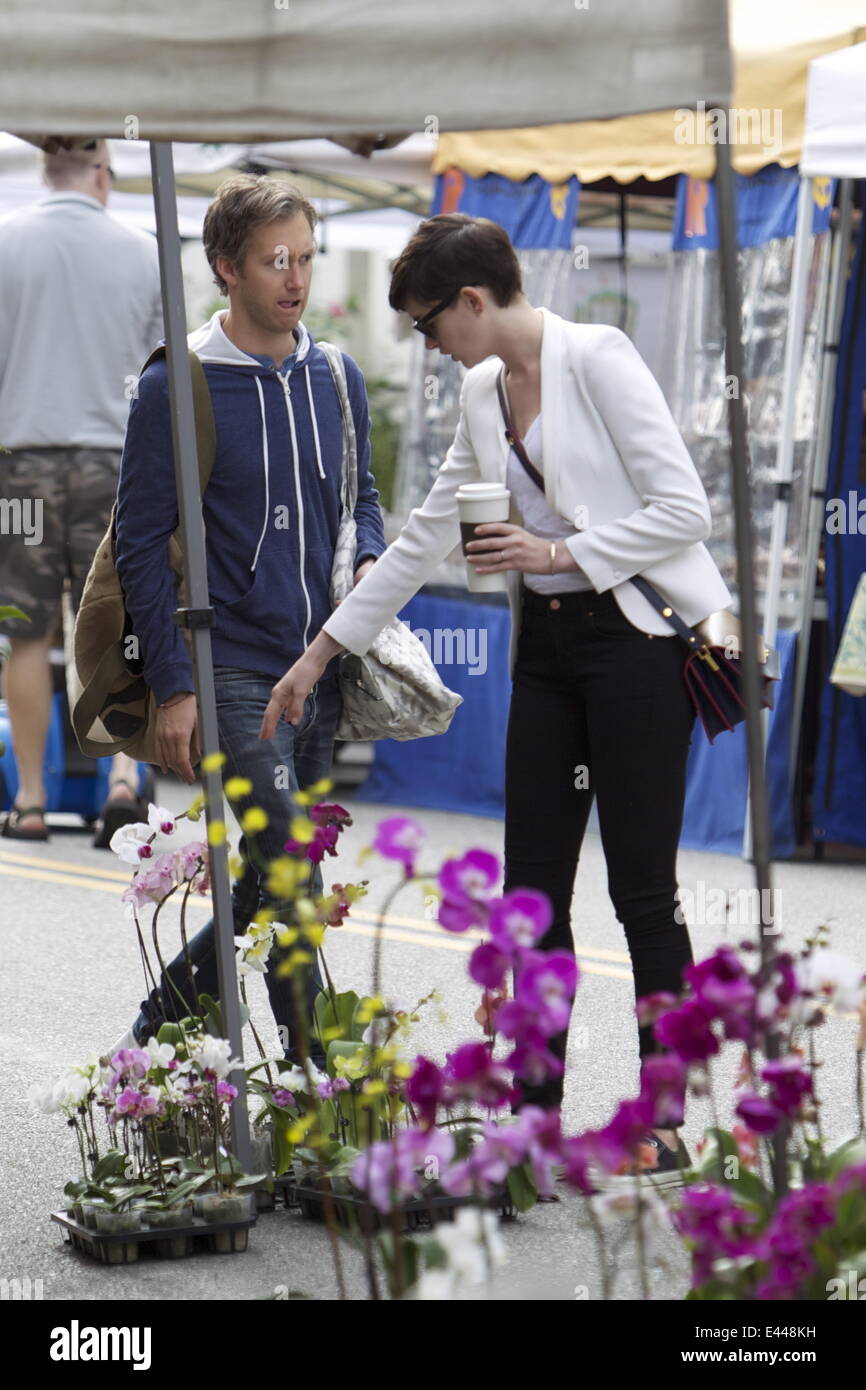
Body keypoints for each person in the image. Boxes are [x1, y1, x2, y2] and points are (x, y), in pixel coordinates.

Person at [263, 212, 733, 1169]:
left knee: (642, 888)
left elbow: (686, 508)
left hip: (638, 645)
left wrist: (560, 551)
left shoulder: (597, 358)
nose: (429, 349)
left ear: (472, 300)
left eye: (430, 326)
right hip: (548, 652)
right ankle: (534, 1113)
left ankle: (670, 1117)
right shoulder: (484, 391)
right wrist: (320, 655)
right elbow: (421, 535)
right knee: (532, 891)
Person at [111, 175, 385, 1063]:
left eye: (306, 258)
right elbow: (140, 545)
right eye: (276, 261)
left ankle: (152, 1045)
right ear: (227, 268)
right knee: (292, 881)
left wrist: (370, 559)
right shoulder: (177, 386)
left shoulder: (337, 376)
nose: (296, 278)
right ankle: (320, 1085)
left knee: (267, 884)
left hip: (318, 668)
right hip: (227, 665)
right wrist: (175, 687)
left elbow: (363, 499)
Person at [0, 139, 163, 844]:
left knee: (25, 632)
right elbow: (163, 376)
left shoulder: (5, 242)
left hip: (21, 463)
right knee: (114, 625)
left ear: (46, 168)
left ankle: (32, 799)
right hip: (116, 462)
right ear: (101, 168)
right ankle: (122, 778)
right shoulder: (144, 251)